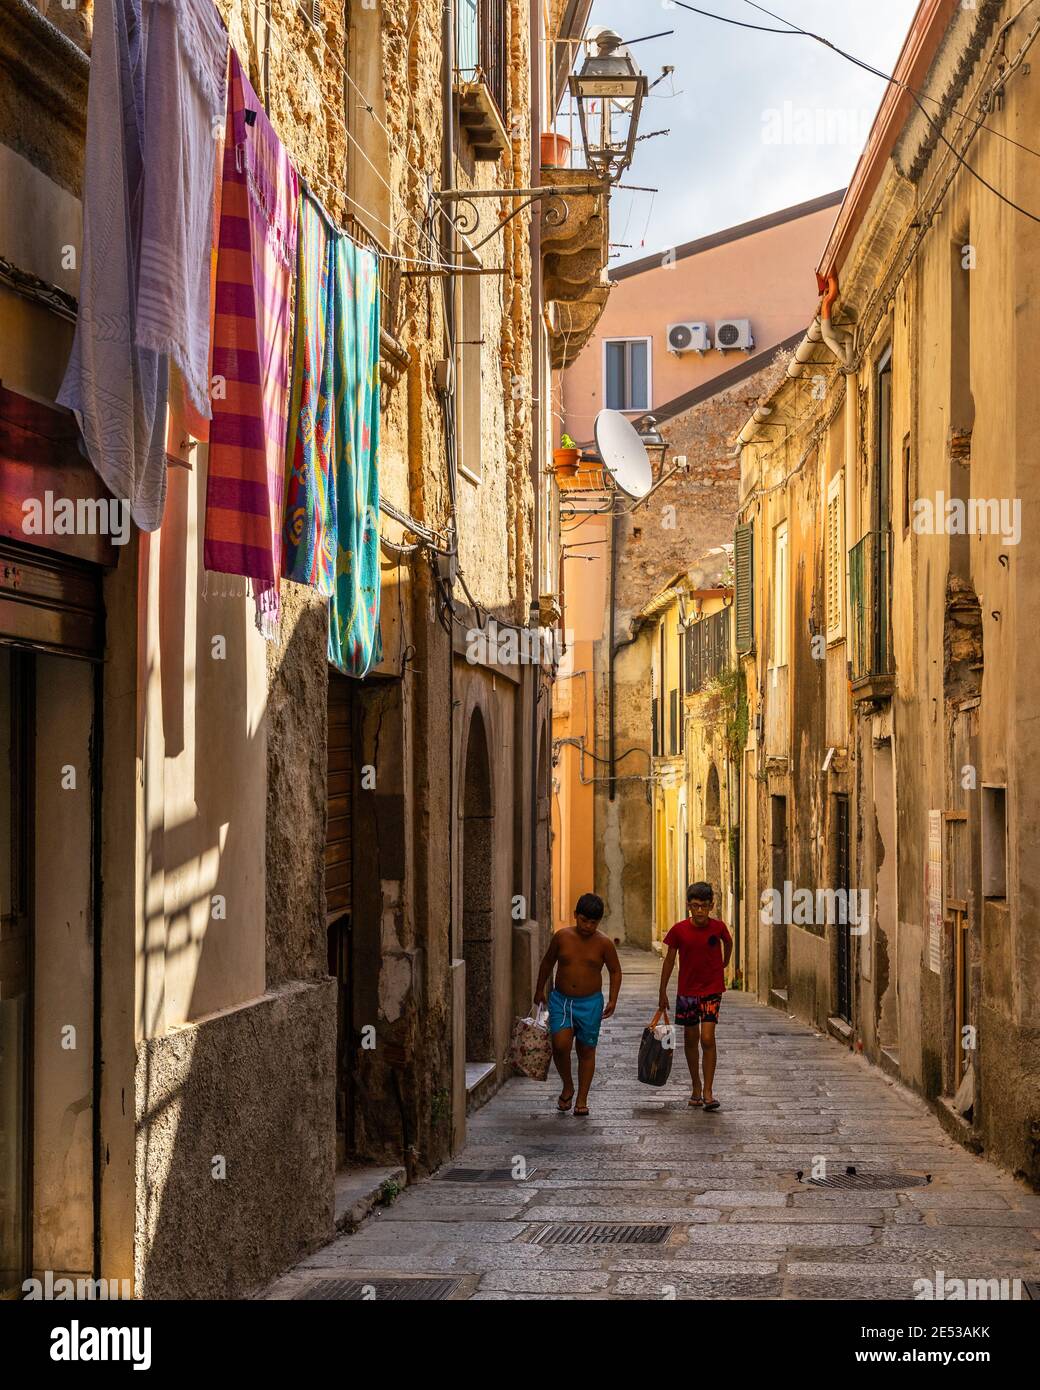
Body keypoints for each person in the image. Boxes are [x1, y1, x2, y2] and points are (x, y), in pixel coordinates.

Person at [533, 893, 622, 1116]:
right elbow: (547, 962)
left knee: (586, 1049)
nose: (587, 926)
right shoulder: (562, 937)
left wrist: (612, 998)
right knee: (560, 1045)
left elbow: (615, 971)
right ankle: (567, 1085)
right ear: (575, 916)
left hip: (590, 1003)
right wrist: (539, 989)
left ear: (599, 922)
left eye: (593, 922)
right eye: (583, 920)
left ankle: (582, 1098)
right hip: (561, 1000)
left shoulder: (604, 943)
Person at [658, 881, 732, 1111]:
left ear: (711, 906)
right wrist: (662, 992)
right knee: (691, 1039)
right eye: (695, 906)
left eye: (704, 906)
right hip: (687, 993)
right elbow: (669, 960)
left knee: (707, 1038)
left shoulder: (718, 927)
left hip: (711, 990)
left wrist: (725, 963)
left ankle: (709, 1092)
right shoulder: (678, 930)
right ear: (688, 905)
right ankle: (696, 1087)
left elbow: (728, 943)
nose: (700, 911)